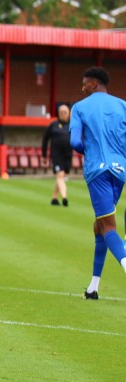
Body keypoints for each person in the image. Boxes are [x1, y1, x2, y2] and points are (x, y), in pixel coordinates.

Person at [69, 67, 126, 300]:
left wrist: (89, 149)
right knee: (99, 226)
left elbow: (74, 141)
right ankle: (93, 287)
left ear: (93, 84)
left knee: (108, 226)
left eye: (84, 84)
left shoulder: (79, 108)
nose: (81, 88)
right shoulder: (123, 105)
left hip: (97, 171)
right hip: (120, 171)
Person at [42, 104, 72, 207]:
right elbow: (45, 139)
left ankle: (54, 198)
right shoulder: (53, 125)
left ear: (69, 114)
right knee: (60, 175)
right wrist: (44, 155)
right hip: (56, 155)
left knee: (62, 175)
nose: (63, 114)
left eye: (65, 112)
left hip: (68, 154)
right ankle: (64, 197)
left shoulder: (72, 125)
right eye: (61, 112)